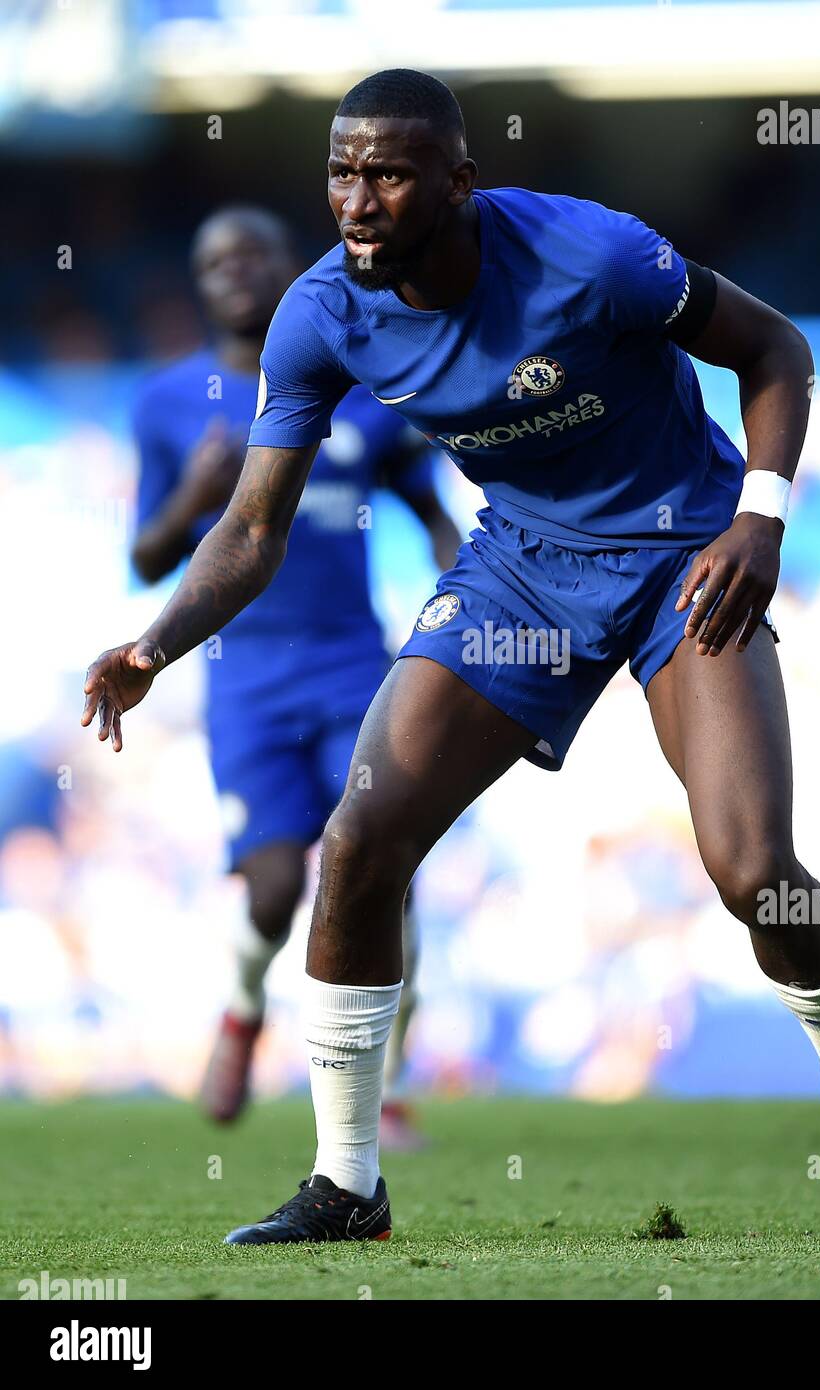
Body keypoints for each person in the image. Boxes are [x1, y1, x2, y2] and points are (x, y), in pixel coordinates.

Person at [84, 70, 820, 1245]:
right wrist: (151, 646)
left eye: (387, 174)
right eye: (341, 173)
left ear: (458, 181)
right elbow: (250, 530)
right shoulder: (320, 313)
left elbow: (775, 349)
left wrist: (761, 516)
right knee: (358, 839)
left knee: (755, 869)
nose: (357, 200)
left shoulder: (591, 258)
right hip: (521, 575)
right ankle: (349, 1182)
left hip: (681, 557)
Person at [129, 204, 460, 1139]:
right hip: (245, 680)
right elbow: (146, 558)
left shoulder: (355, 388)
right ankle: (241, 1011)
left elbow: (415, 489)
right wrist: (196, 498)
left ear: (288, 268)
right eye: (214, 259)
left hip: (357, 668)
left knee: (384, 870)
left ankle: (384, 1089)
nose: (234, 270)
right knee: (275, 887)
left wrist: (454, 561)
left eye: (253, 253)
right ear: (199, 284)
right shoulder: (165, 404)